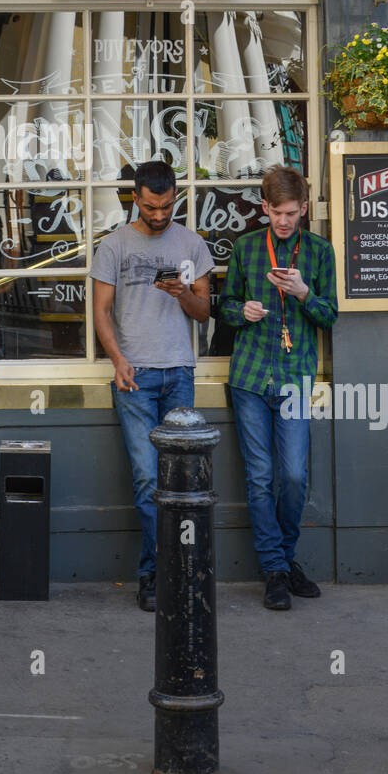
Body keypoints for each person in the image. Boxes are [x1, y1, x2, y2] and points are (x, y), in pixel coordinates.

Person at [90, 160, 214, 611]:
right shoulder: (114, 245)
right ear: (135, 198)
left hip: (179, 371)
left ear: (174, 198)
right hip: (135, 376)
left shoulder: (192, 243)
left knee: (179, 481)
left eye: (166, 207)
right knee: (147, 480)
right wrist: (118, 361)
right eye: (150, 207)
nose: (159, 215)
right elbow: (101, 311)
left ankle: (164, 572)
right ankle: (158, 573)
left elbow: (204, 313)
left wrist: (183, 293)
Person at [218, 166, 338, 611]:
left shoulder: (321, 251)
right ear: (264, 207)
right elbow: (224, 305)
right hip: (249, 377)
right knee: (260, 477)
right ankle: (274, 569)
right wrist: (240, 311)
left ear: (304, 208)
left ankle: (284, 561)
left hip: (295, 378)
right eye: (276, 212)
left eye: (291, 213)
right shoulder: (247, 247)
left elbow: (330, 316)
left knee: (292, 477)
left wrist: (305, 293)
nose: (284, 222)